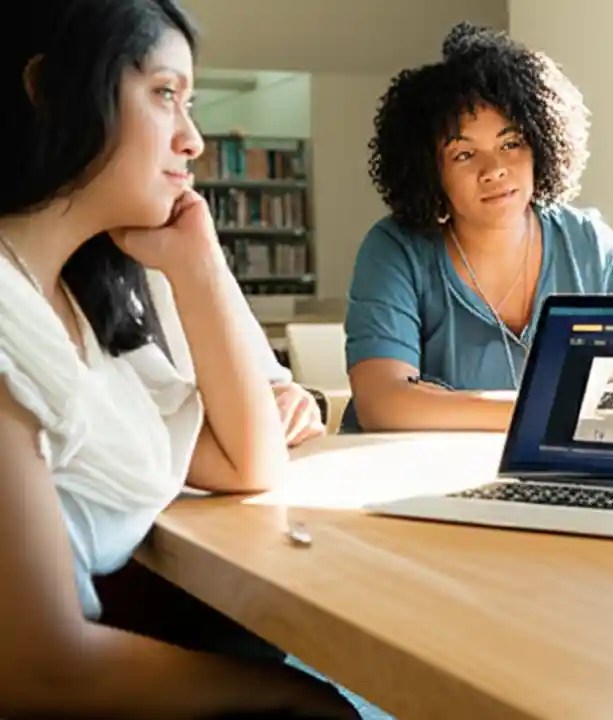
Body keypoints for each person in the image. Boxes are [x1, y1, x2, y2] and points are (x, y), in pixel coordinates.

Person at [0, 1, 355, 715]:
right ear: (49, 90)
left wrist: (199, 268)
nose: (193, 140)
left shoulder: (82, 308)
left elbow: (249, 463)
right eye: (166, 95)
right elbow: (39, 671)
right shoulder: (10, 318)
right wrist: (298, 696)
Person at [344, 22, 613, 433]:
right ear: (428, 171)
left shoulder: (588, 244)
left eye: (510, 144)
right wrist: (549, 413)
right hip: (412, 480)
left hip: (551, 473)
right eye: (463, 154)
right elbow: (384, 405)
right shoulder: (395, 249)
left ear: (542, 146)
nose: (494, 170)